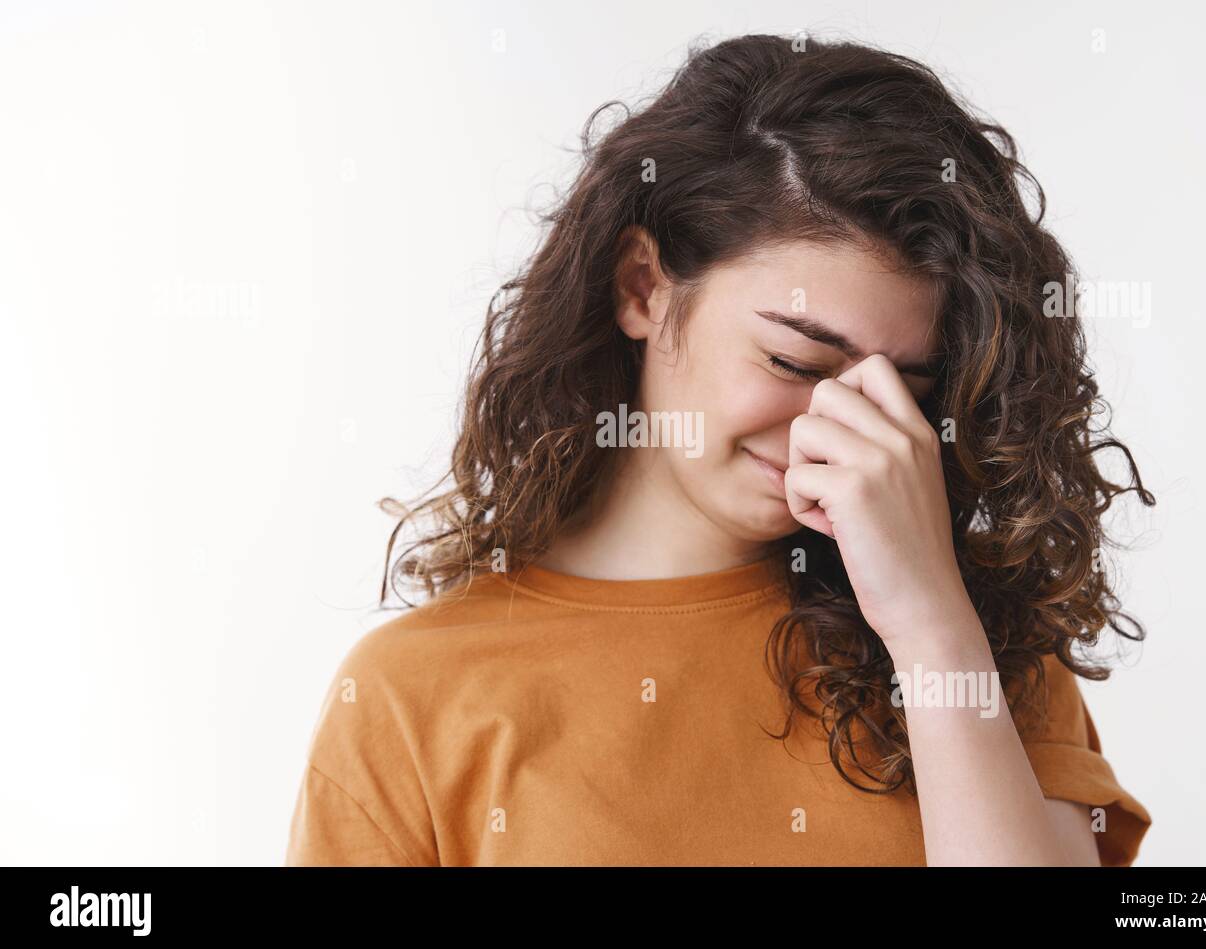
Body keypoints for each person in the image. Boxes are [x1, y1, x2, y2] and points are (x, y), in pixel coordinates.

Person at [285, 33, 1154, 866]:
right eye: (793, 360)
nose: (840, 432)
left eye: (904, 392)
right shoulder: (410, 697)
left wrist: (930, 627)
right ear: (644, 290)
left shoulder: (983, 650)